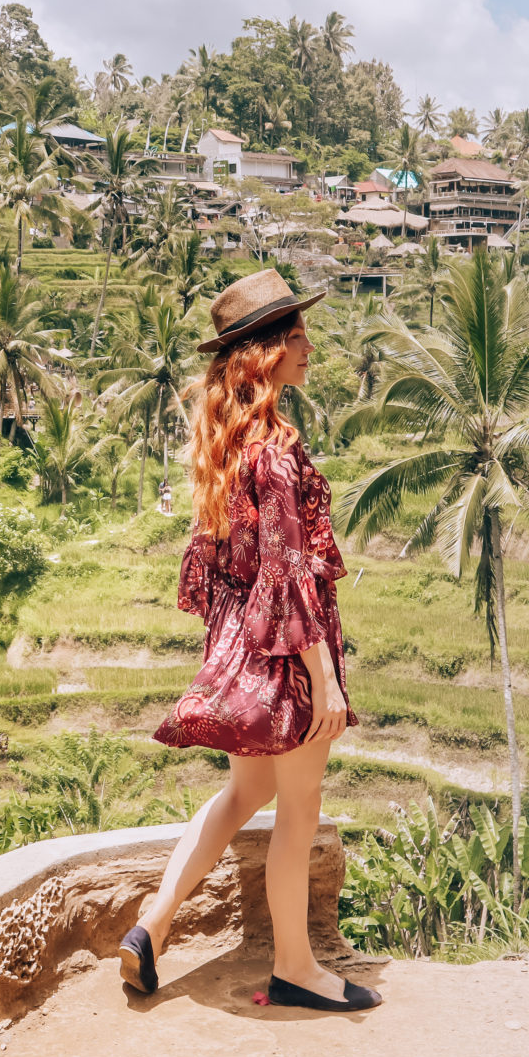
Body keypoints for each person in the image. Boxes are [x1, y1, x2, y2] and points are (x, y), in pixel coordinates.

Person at [116, 269, 381, 1014]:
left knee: (245, 791)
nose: (310, 348)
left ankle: (153, 925)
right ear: (264, 353)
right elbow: (290, 571)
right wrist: (323, 678)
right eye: (296, 337)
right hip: (287, 656)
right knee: (298, 809)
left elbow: (217, 572)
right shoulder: (275, 450)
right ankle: (296, 967)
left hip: (244, 649)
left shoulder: (228, 447)